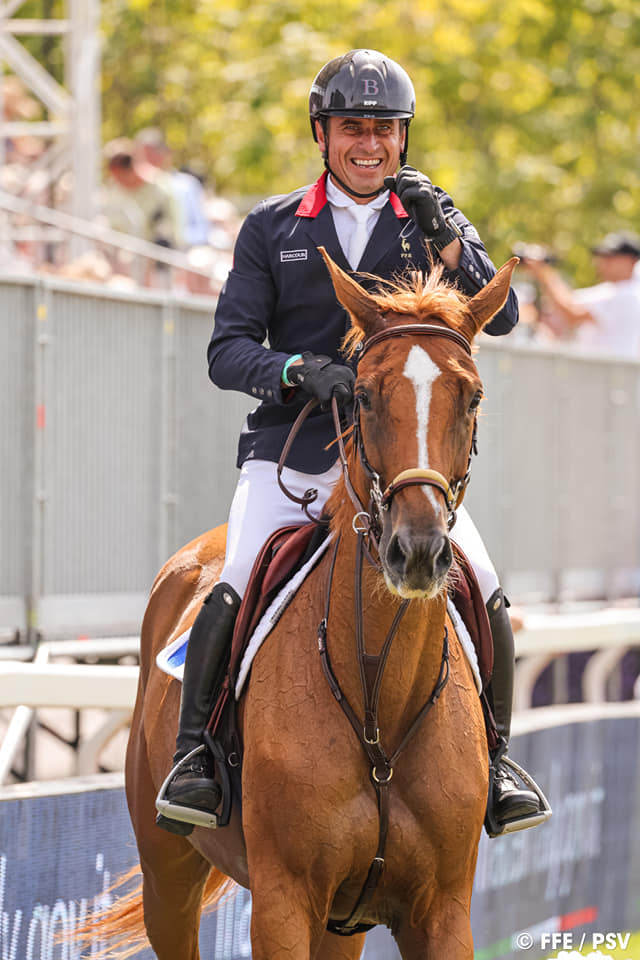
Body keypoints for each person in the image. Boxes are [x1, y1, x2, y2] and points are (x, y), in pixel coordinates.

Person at [160, 49, 543, 835]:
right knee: (236, 571)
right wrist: (302, 370)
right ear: (322, 134)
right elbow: (227, 350)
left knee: (484, 582)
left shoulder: (432, 218)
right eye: (351, 128)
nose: (368, 143)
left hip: (406, 462)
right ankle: (196, 754)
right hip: (296, 450)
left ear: (403, 138)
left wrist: (444, 234)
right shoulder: (273, 225)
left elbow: (497, 319)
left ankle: (497, 762)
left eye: (385, 129)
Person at [519, 232, 640, 358]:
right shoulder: (612, 290)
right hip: (605, 373)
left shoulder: (628, 296)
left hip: (612, 374)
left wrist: (543, 272)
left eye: (611, 257)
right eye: (602, 256)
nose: (602, 262)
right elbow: (567, 301)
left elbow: (572, 312)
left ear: (630, 260)